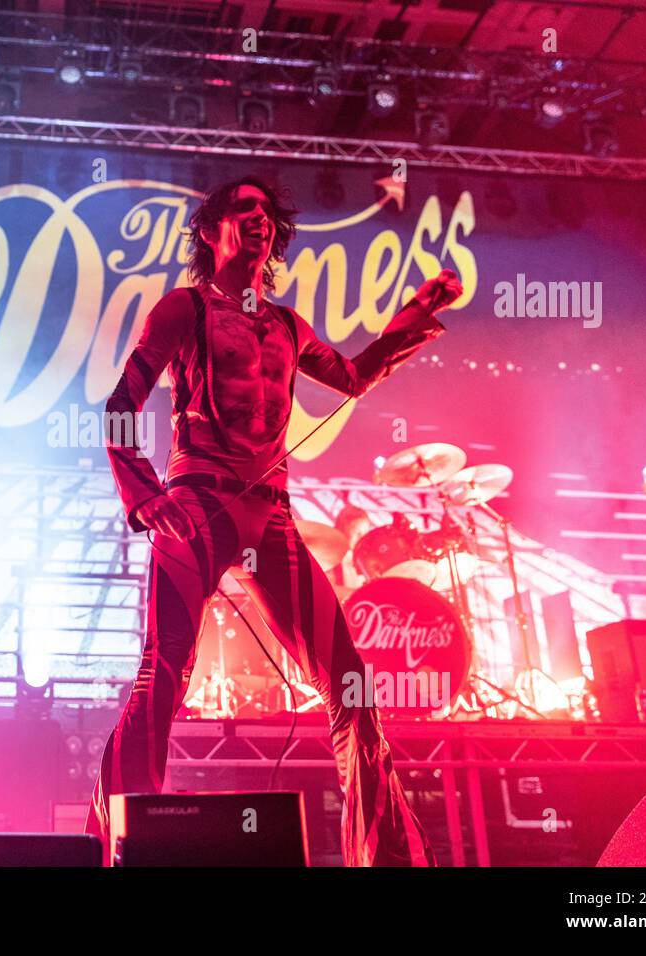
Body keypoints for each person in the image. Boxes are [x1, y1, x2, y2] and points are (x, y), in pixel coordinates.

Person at [89, 177, 464, 865]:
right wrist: (143, 494)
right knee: (162, 673)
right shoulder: (183, 309)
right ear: (212, 231)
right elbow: (120, 404)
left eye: (267, 211)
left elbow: (353, 378)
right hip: (198, 505)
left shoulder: (288, 326)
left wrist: (417, 311)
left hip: (272, 515)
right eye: (245, 209)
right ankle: (114, 847)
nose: (259, 218)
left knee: (350, 682)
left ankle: (382, 857)